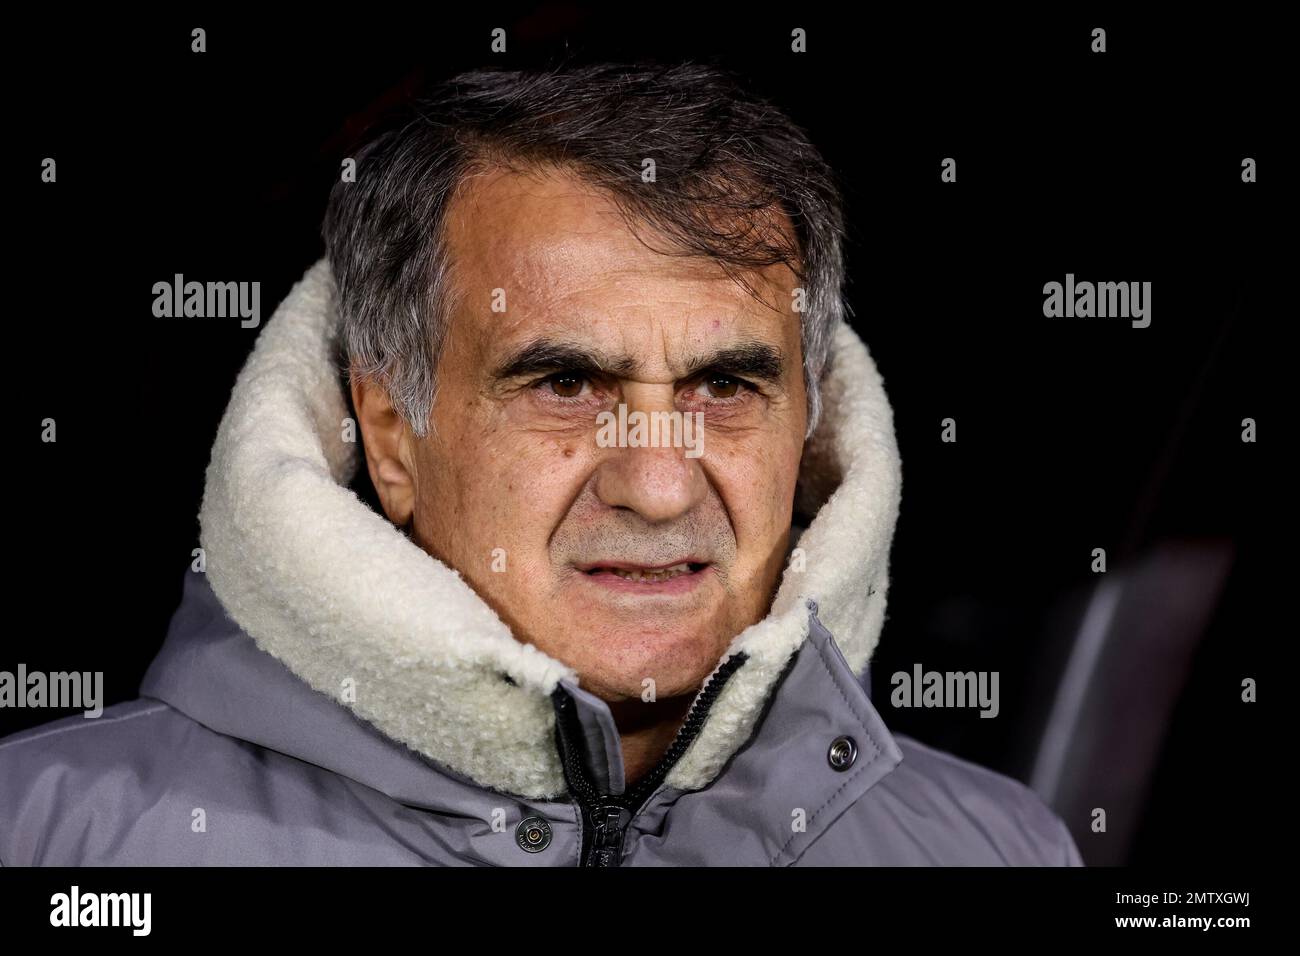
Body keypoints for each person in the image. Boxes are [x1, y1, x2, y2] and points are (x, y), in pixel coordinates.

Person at [0, 63, 1081, 866]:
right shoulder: (51, 834)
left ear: (811, 424)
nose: (658, 488)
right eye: (564, 386)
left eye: (724, 386)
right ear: (388, 436)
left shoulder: (998, 850)